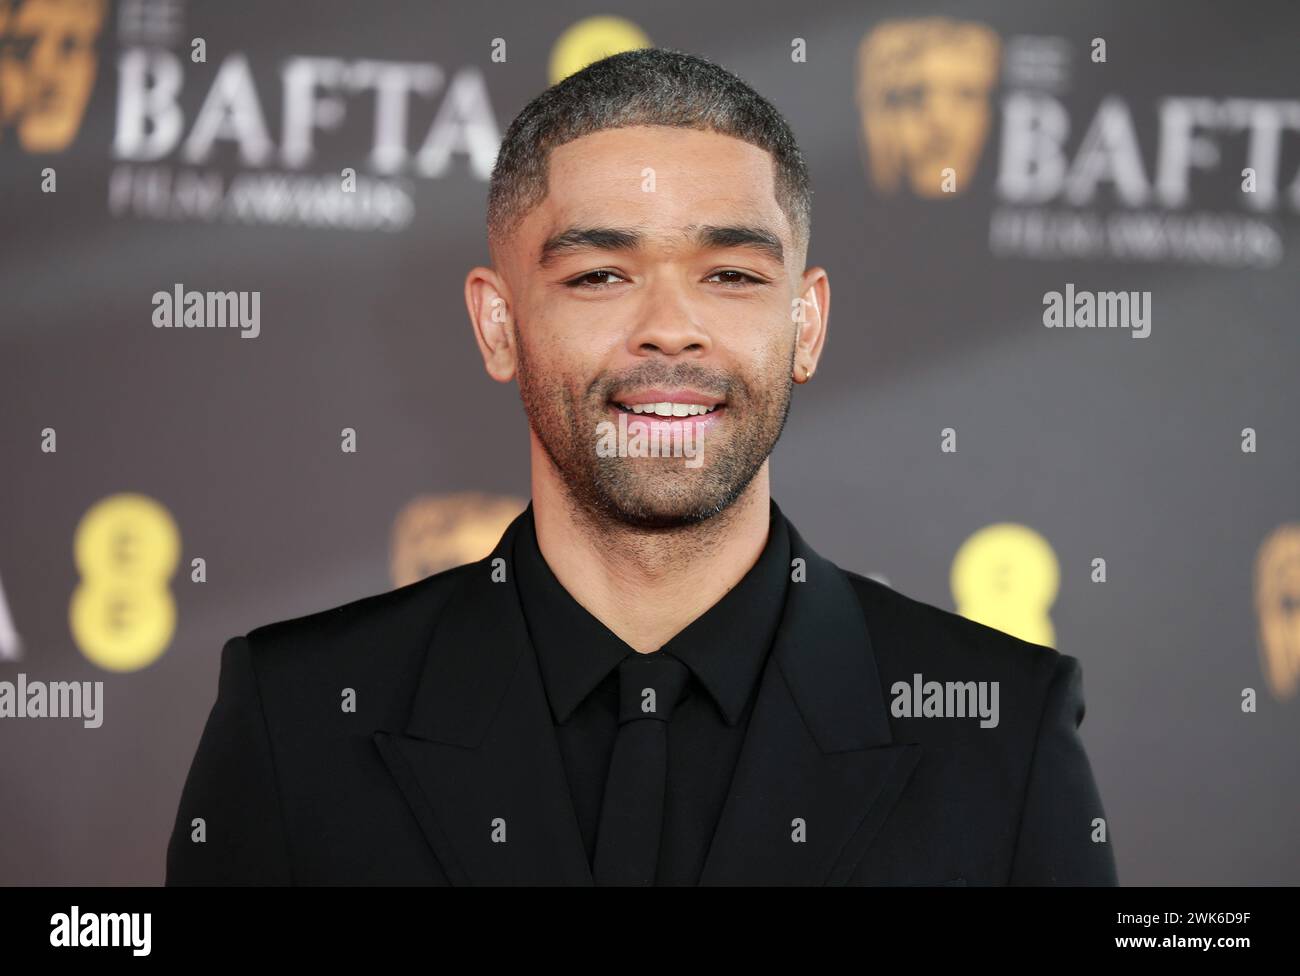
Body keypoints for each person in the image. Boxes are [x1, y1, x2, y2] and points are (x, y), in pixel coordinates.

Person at [166, 48, 1118, 886]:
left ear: (808, 322)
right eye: (599, 275)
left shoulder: (1002, 733)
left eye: (733, 275)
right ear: (499, 324)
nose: (670, 327)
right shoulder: (296, 720)